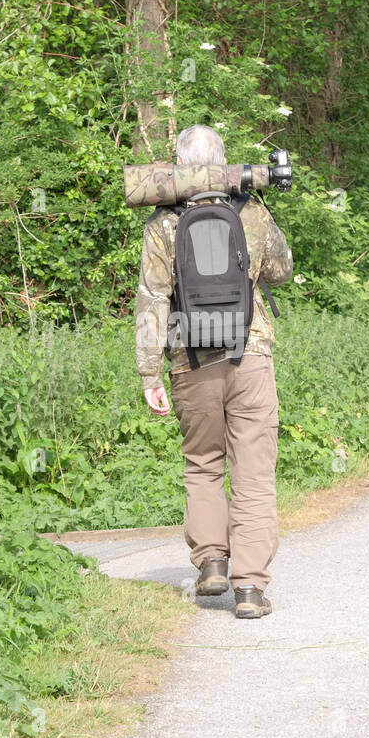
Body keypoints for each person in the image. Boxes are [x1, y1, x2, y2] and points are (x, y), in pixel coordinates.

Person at [134, 125, 293, 619]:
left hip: (189, 360)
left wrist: (149, 373)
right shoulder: (250, 210)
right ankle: (249, 589)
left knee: (204, 465)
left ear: (177, 167)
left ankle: (211, 565)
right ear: (224, 165)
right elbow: (281, 270)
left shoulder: (162, 224)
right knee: (254, 473)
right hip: (251, 354)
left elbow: (153, 299)